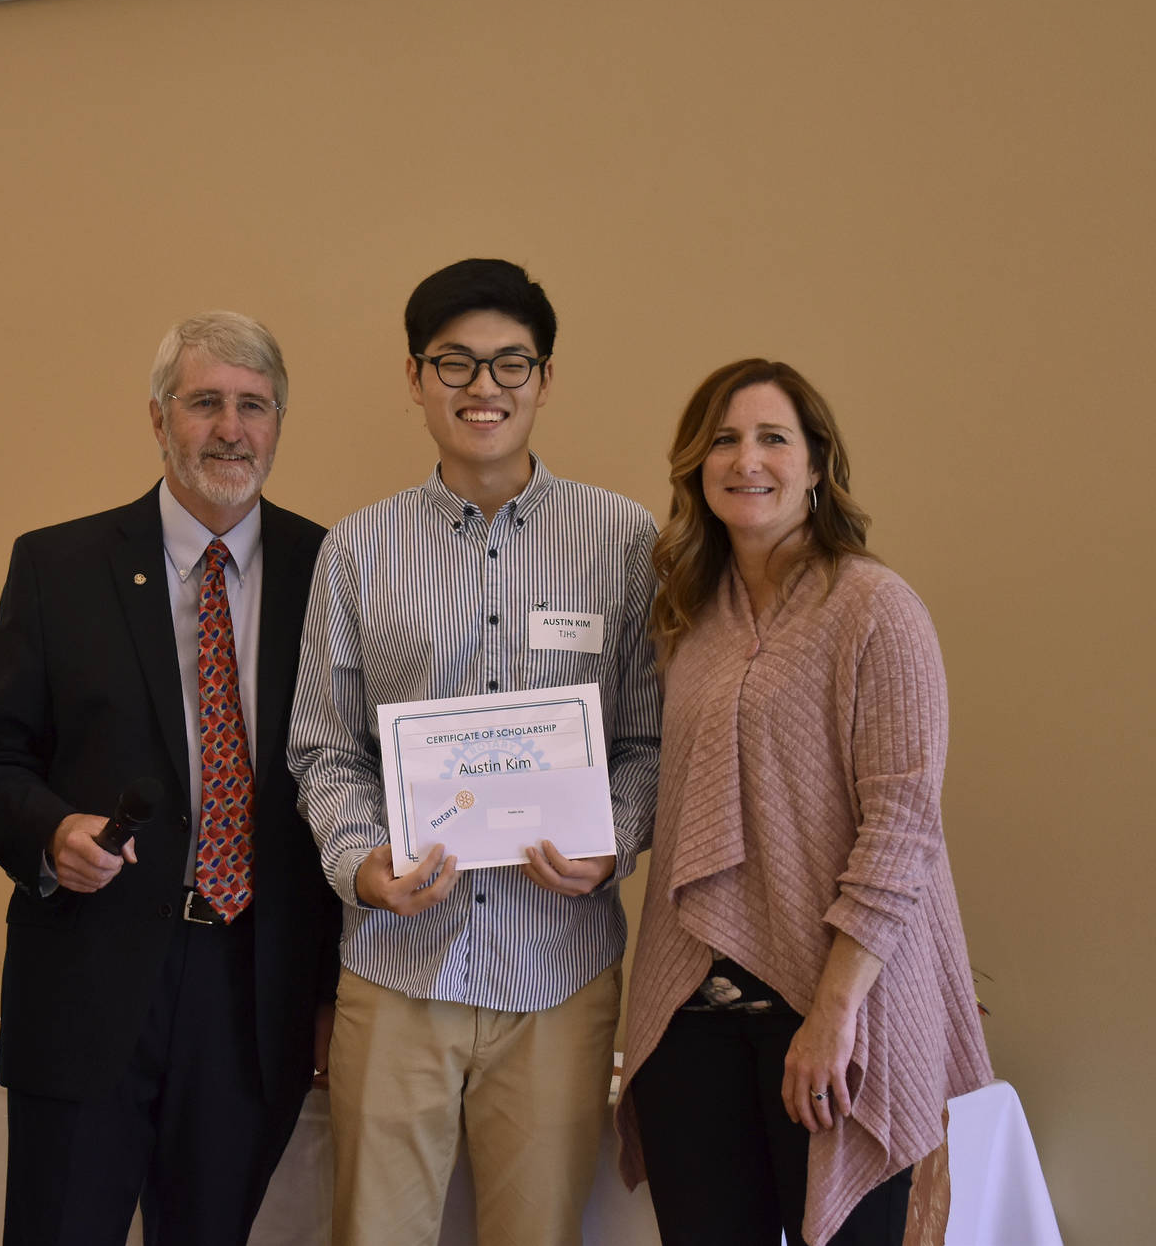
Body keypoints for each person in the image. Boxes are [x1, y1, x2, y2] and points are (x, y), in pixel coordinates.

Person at [289, 258, 661, 1246]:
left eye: (509, 364)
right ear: (413, 380)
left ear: (544, 380)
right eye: (454, 364)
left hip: (558, 971)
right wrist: (360, 864)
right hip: (396, 965)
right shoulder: (356, 551)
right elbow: (325, 751)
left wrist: (609, 841)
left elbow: (647, 740)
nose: (483, 388)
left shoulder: (623, 540)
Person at [0, 312, 340, 1246]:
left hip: (252, 997)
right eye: (205, 401)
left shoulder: (331, 567)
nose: (231, 428)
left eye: (254, 405)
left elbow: (349, 772)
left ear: (279, 422)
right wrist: (51, 833)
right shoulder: (59, 565)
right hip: (88, 983)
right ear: (159, 418)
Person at [616, 358, 992, 1246]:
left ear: (817, 465)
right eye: (724, 439)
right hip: (692, 1017)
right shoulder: (686, 617)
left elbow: (903, 828)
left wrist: (833, 1013)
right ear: (696, 467)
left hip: (835, 1013)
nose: (747, 459)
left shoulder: (877, 607)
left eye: (772, 437)